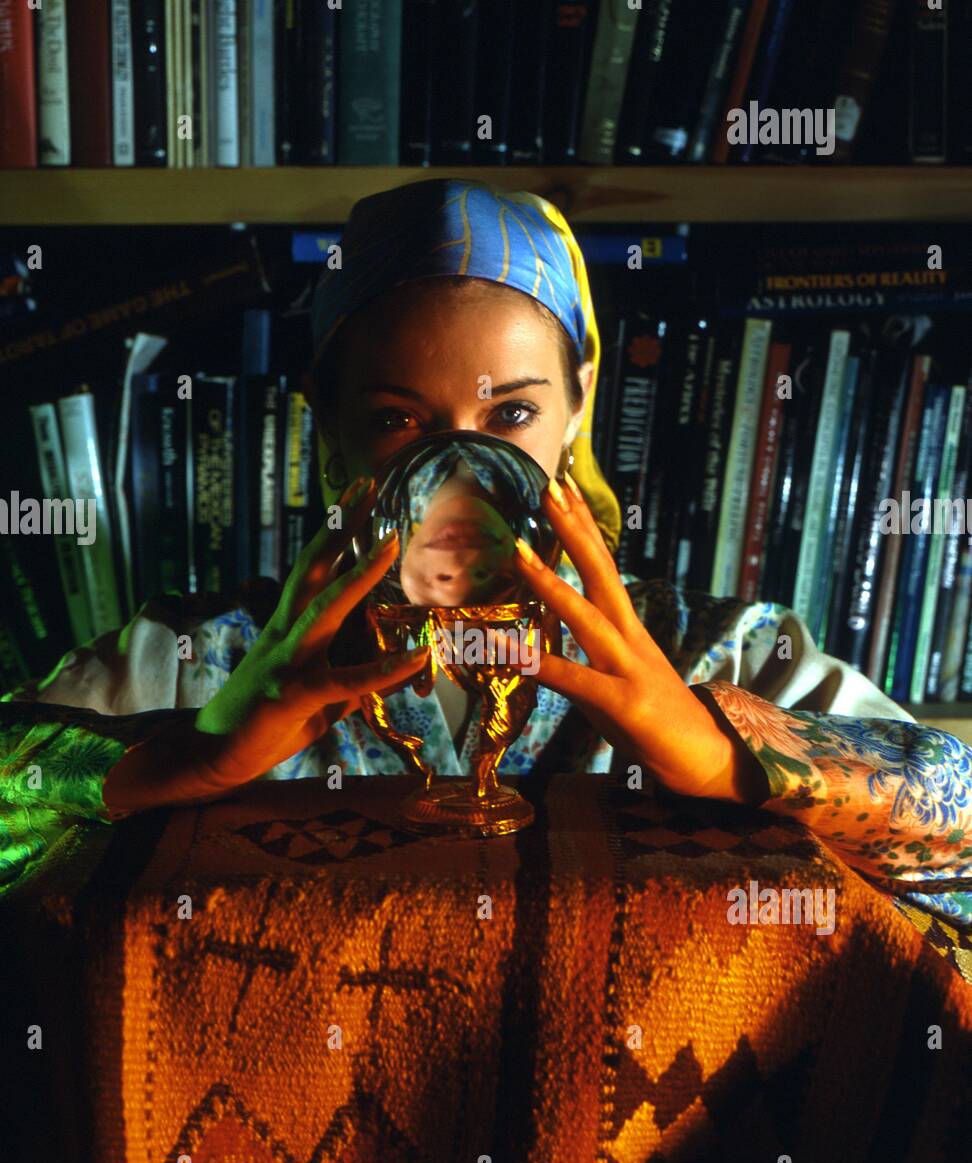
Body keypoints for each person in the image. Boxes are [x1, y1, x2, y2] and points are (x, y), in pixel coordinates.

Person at [1, 178, 970, 982]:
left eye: (509, 417)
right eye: (397, 421)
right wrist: (182, 758)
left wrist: (720, 753)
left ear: (578, 408)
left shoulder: (724, 661)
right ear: (325, 422)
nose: (458, 480)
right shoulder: (200, 666)